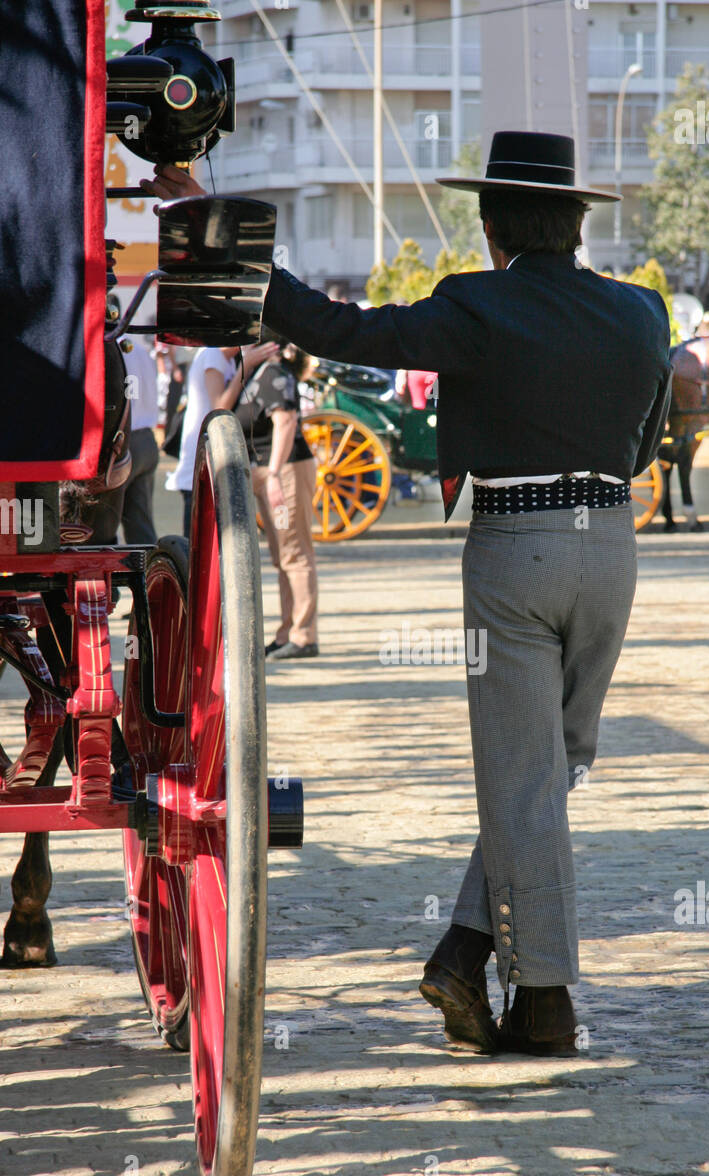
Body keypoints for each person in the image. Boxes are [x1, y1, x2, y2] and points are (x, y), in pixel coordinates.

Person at [143, 132, 671, 1059]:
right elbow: (643, 445)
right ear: (578, 220)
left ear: (492, 223)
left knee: (525, 777)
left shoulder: (477, 302)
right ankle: (464, 952)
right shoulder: (639, 313)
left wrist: (217, 234)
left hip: (515, 550)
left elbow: (343, 329)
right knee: (551, 769)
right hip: (613, 551)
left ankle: (544, 1002)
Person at [235, 339, 320, 658]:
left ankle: (303, 635)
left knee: (294, 553)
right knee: (283, 555)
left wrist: (273, 474)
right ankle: (289, 631)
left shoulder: (272, 373)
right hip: (277, 468)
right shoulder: (263, 372)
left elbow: (286, 422)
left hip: (285, 469)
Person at [167, 340, 278, 536]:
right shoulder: (212, 354)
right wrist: (246, 366)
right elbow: (219, 408)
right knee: (197, 538)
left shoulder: (224, 359)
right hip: (199, 455)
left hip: (209, 454)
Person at [120, 334, 159, 544]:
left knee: (99, 525)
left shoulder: (112, 345)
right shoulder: (139, 348)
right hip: (145, 437)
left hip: (124, 439)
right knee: (140, 523)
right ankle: (144, 574)